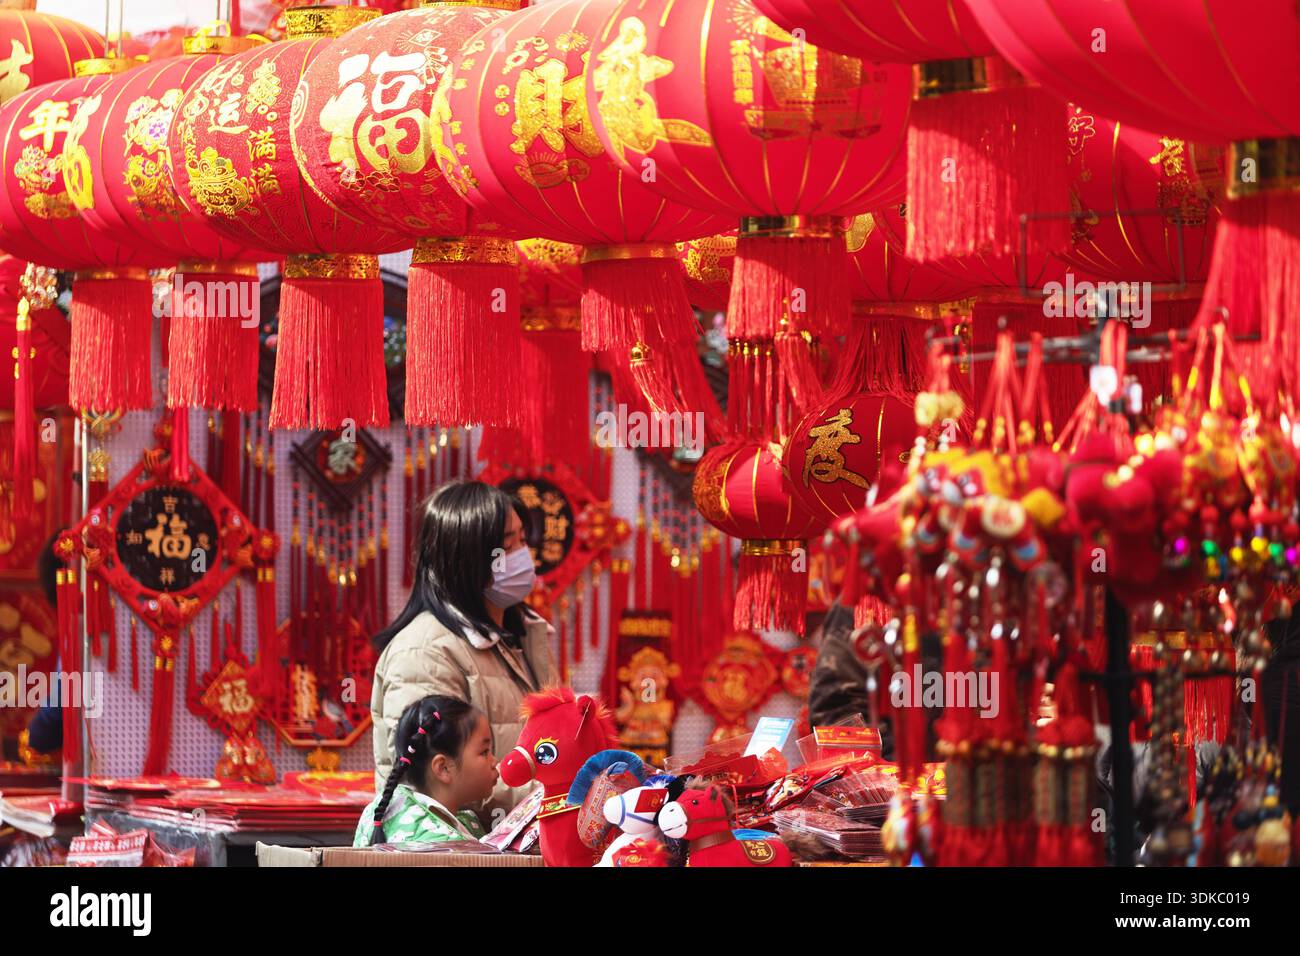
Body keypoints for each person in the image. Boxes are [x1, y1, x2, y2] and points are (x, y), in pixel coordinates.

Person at [370, 480, 558, 826]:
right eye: (508, 545)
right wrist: (561, 799)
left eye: (522, 540)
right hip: (451, 852)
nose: (525, 557)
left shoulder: (522, 638)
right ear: (467, 558)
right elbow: (439, 778)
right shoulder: (425, 653)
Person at [354, 695, 498, 846]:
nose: (494, 761)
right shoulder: (447, 847)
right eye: (484, 752)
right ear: (444, 768)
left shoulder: (380, 810)